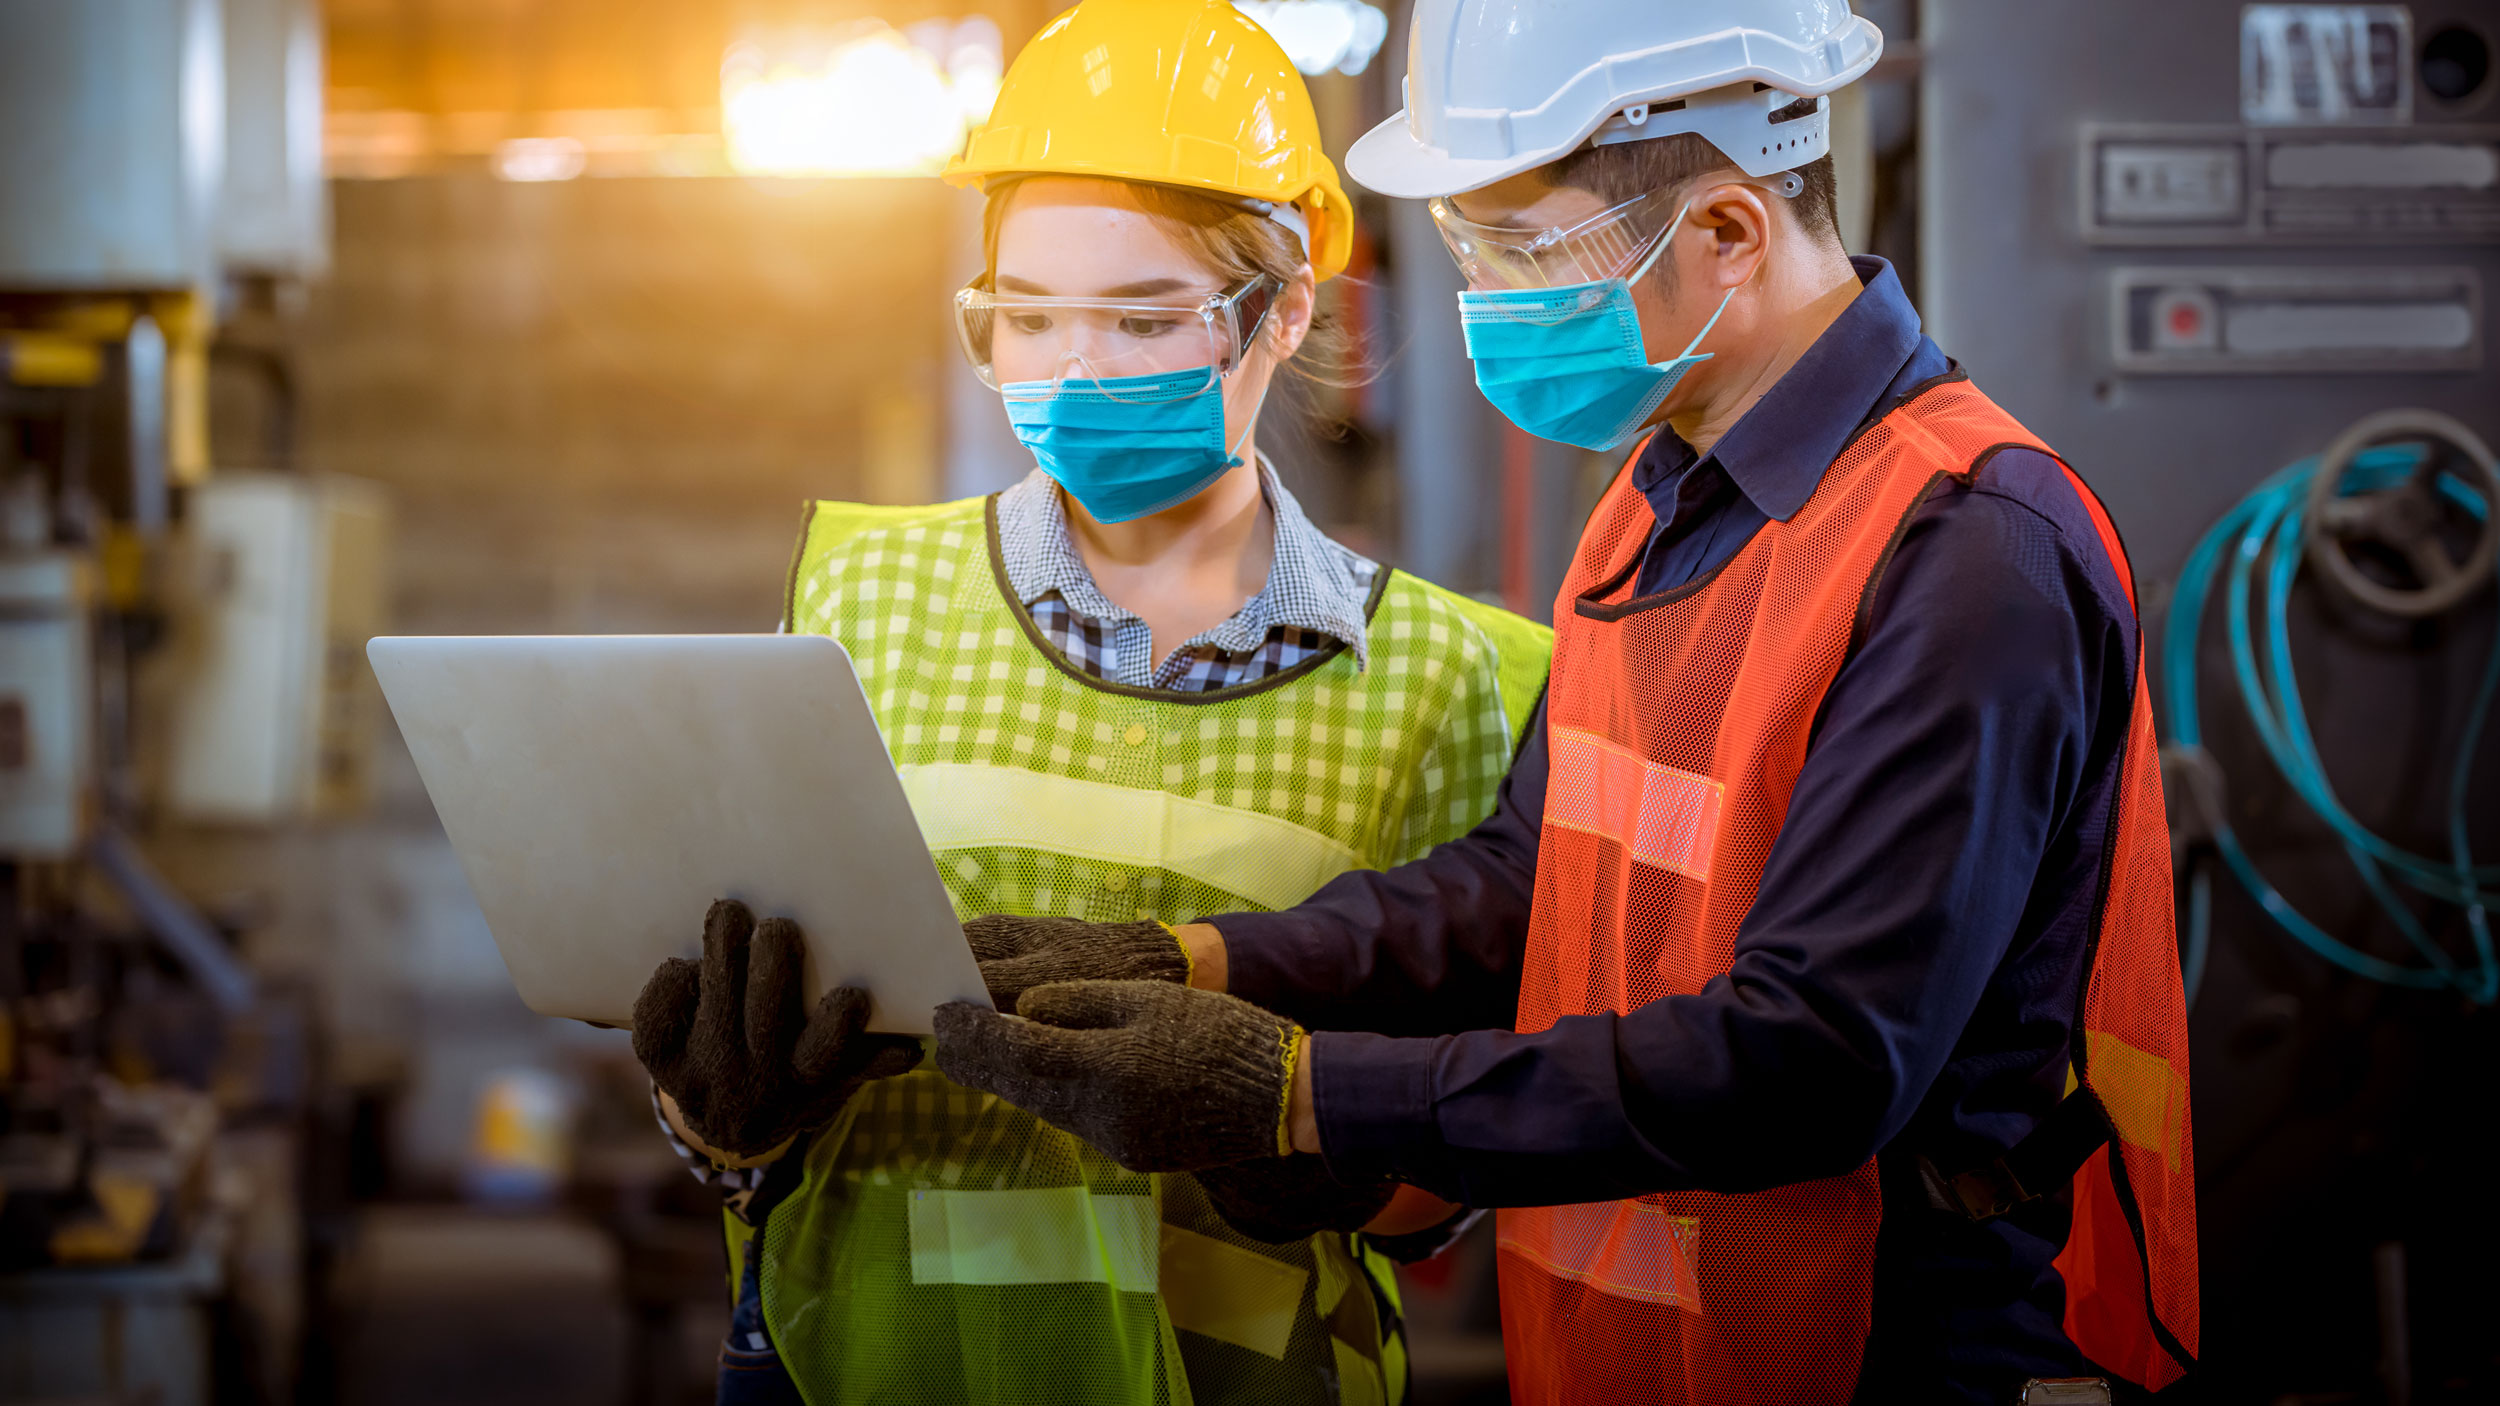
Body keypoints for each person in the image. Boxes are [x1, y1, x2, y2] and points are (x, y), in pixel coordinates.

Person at [931, 3, 2201, 1403]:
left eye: (1519, 250)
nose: (1486, 300)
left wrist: (1300, 1095)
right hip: (1653, 1348)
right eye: (1471, 249)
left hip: (1899, 1351)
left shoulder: (1970, 550)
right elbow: (1528, 880)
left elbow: (1814, 1059)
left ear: (1727, 233)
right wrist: (1197, 963)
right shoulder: (1659, 500)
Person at [626, 3, 1551, 1403]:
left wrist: (1294, 1143)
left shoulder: (1457, 679)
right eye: (1028, 315)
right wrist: (723, 1119)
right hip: (865, 1368)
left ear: (1283, 311)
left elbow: (1451, 1164)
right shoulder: (859, 601)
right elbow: (748, 1039)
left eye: (1137, 318)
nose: (1072, 367)